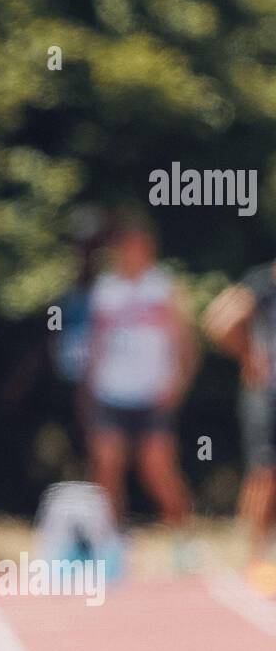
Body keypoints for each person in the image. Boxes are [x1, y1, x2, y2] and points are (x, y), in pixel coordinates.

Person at [85, 213, 196, 535]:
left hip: (152, 392)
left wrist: (177, 383)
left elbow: (186, 344)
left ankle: (181, 536)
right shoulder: (105, 289)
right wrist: (90, 388)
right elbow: (96, 343)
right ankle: (111, 541)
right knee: (106, 467)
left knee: (157, 469)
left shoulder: (162, 287)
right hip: (111, 391)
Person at [203, 264, 276, 587]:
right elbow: (218, 321)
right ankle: (255, 559)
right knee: (265, 473)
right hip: (267, 393)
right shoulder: (262, 283)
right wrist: (248, 355)